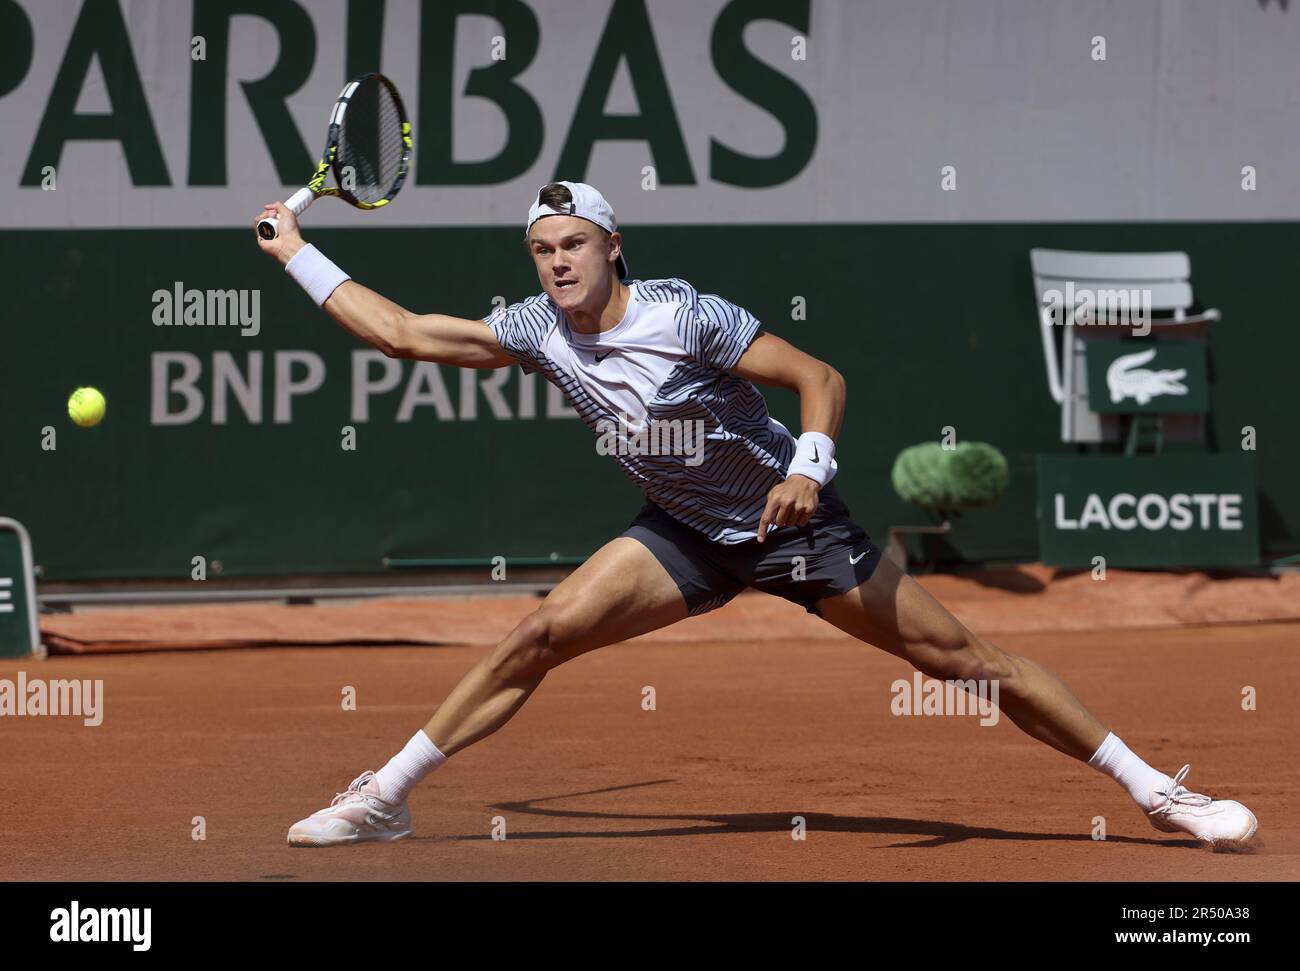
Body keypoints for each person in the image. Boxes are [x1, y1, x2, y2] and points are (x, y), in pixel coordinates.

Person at [254, 181, 1257, 850]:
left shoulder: (687, 314)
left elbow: (818, 375)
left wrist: (809, 467)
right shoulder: (533, 329)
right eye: (541, 249)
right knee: (539, 631)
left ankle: (1158, 791)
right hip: (687, 528)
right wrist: (295, 250)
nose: (557, 262)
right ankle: (383, 796)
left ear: (612, 246)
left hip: (796, 524)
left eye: (573, 244)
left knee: (963, 662)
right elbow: (399, 333)